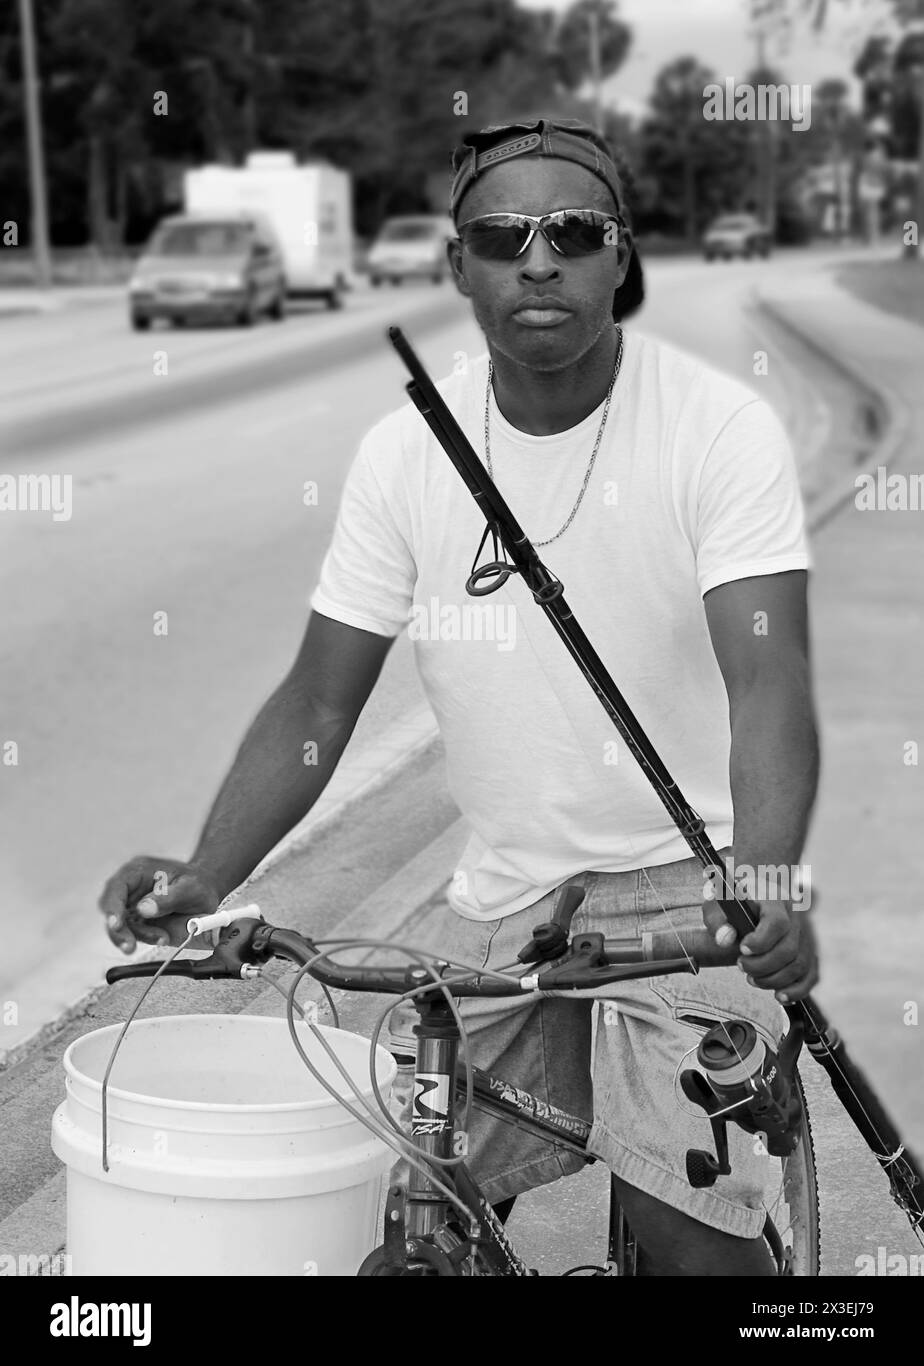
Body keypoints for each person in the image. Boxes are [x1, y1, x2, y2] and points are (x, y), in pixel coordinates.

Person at [99, 118, 820, 1276]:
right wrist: (205, 875)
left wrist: (769, 879)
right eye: (502, 237)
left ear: (620, 256)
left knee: (693, 1234)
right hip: (502, 895)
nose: (539, 261)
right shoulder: (405, 454)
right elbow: (318, 704)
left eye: (573, 233)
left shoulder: (717, 430)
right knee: (380, 1185)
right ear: (459, 265)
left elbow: (769, 683)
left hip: (693, 887)